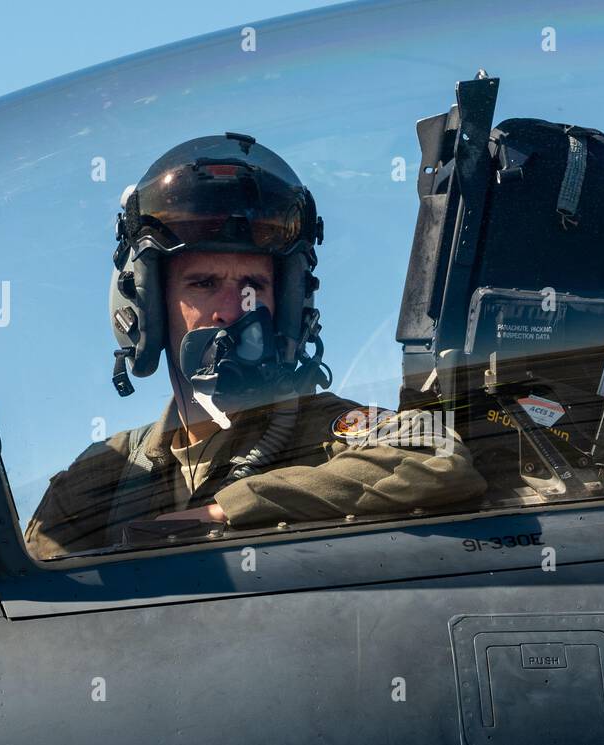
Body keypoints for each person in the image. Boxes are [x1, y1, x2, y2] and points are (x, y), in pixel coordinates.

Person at [24, 133, 485, 558]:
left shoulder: (322, 430)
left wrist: (230, 508)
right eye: (203, 284)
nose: (233, 310)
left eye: (253, 286)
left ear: (287, 306)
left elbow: (437, 457)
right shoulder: (107, 473)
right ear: (149, 309)